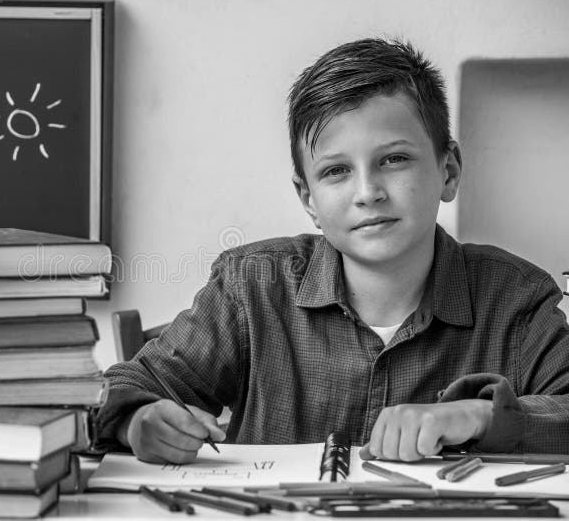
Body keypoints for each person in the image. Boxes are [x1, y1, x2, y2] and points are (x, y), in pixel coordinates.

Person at [94, 38, 569, 464]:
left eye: (394, 159)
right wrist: (137, 421)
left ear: (448, 171)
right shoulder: (252, 287)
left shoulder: (516, 301)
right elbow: (122, 388)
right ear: (308, 200)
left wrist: (481, 416)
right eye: (336, 171)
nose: (368, 192)